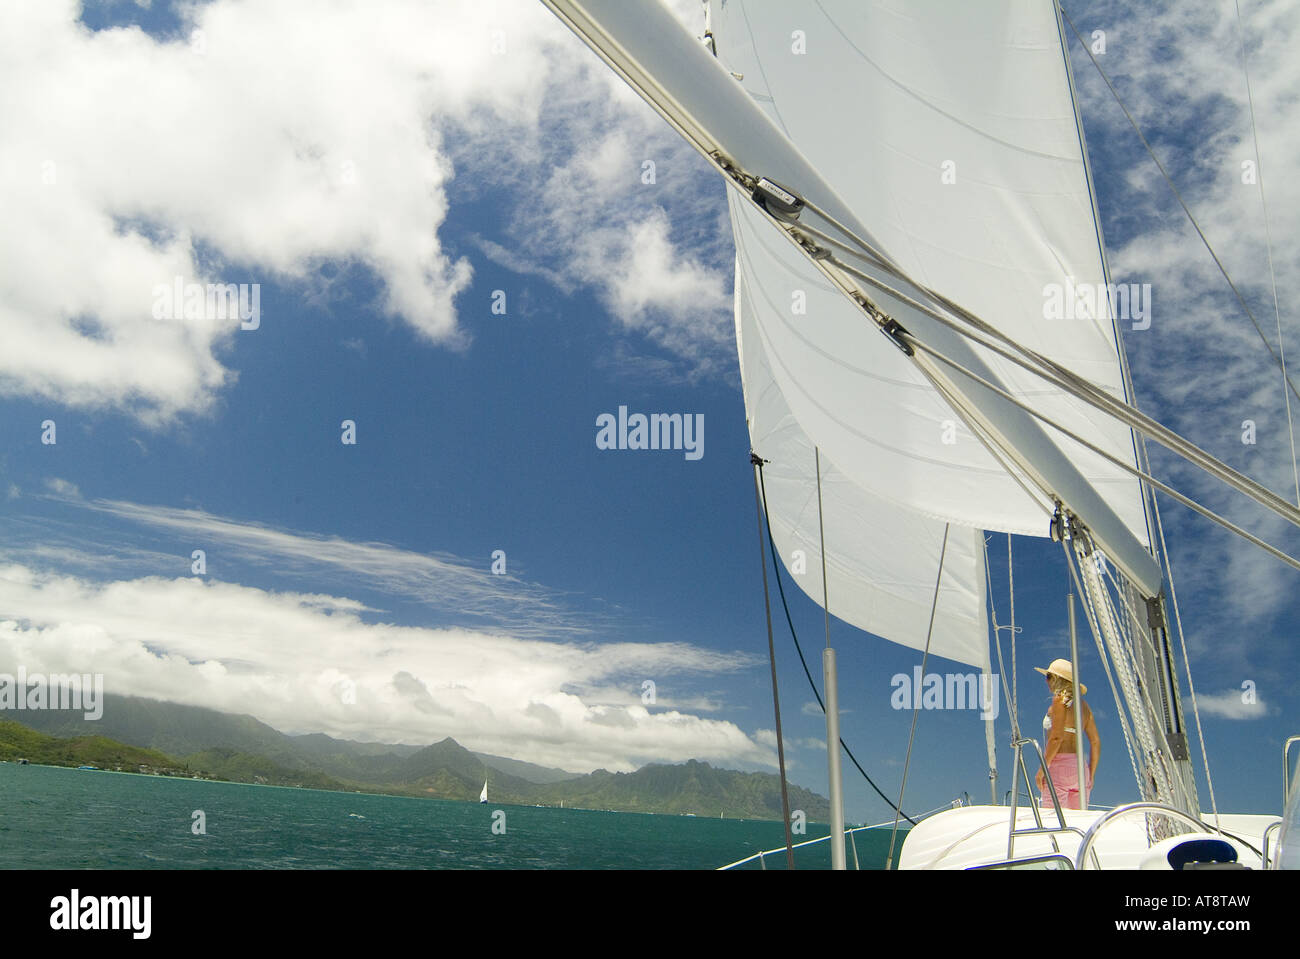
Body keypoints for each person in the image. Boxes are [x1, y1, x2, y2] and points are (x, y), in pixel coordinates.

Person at [1033, 659, 1099, 810]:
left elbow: (1056, 738)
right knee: (1078, 822)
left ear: (1057, 679)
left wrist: (1041, 770)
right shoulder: (1084, 706)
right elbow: (1095, 742)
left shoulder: (1059, 701)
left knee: (1053, 823)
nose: (1046, 681)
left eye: (1048, 676)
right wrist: (1091, 775)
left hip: (1058, 768)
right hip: (1081, 769)